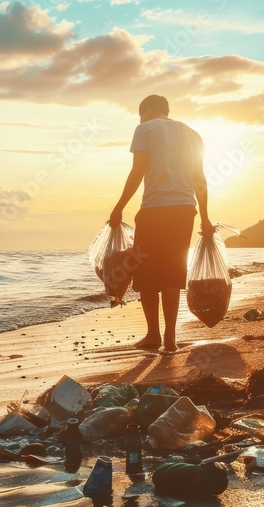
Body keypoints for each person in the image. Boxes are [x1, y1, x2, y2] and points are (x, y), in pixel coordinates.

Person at [109, 95, 214, 352]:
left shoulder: (144, 129)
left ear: (147, 110)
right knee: (172, 272)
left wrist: (119, 207)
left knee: (146, 274)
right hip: (184, 211)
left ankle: (153, 335)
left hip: (154, 210)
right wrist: (205, 216)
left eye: (140, 114)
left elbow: (138, 171)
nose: (140, 119)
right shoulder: (192, 134)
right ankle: (170, 338)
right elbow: (199, 178)